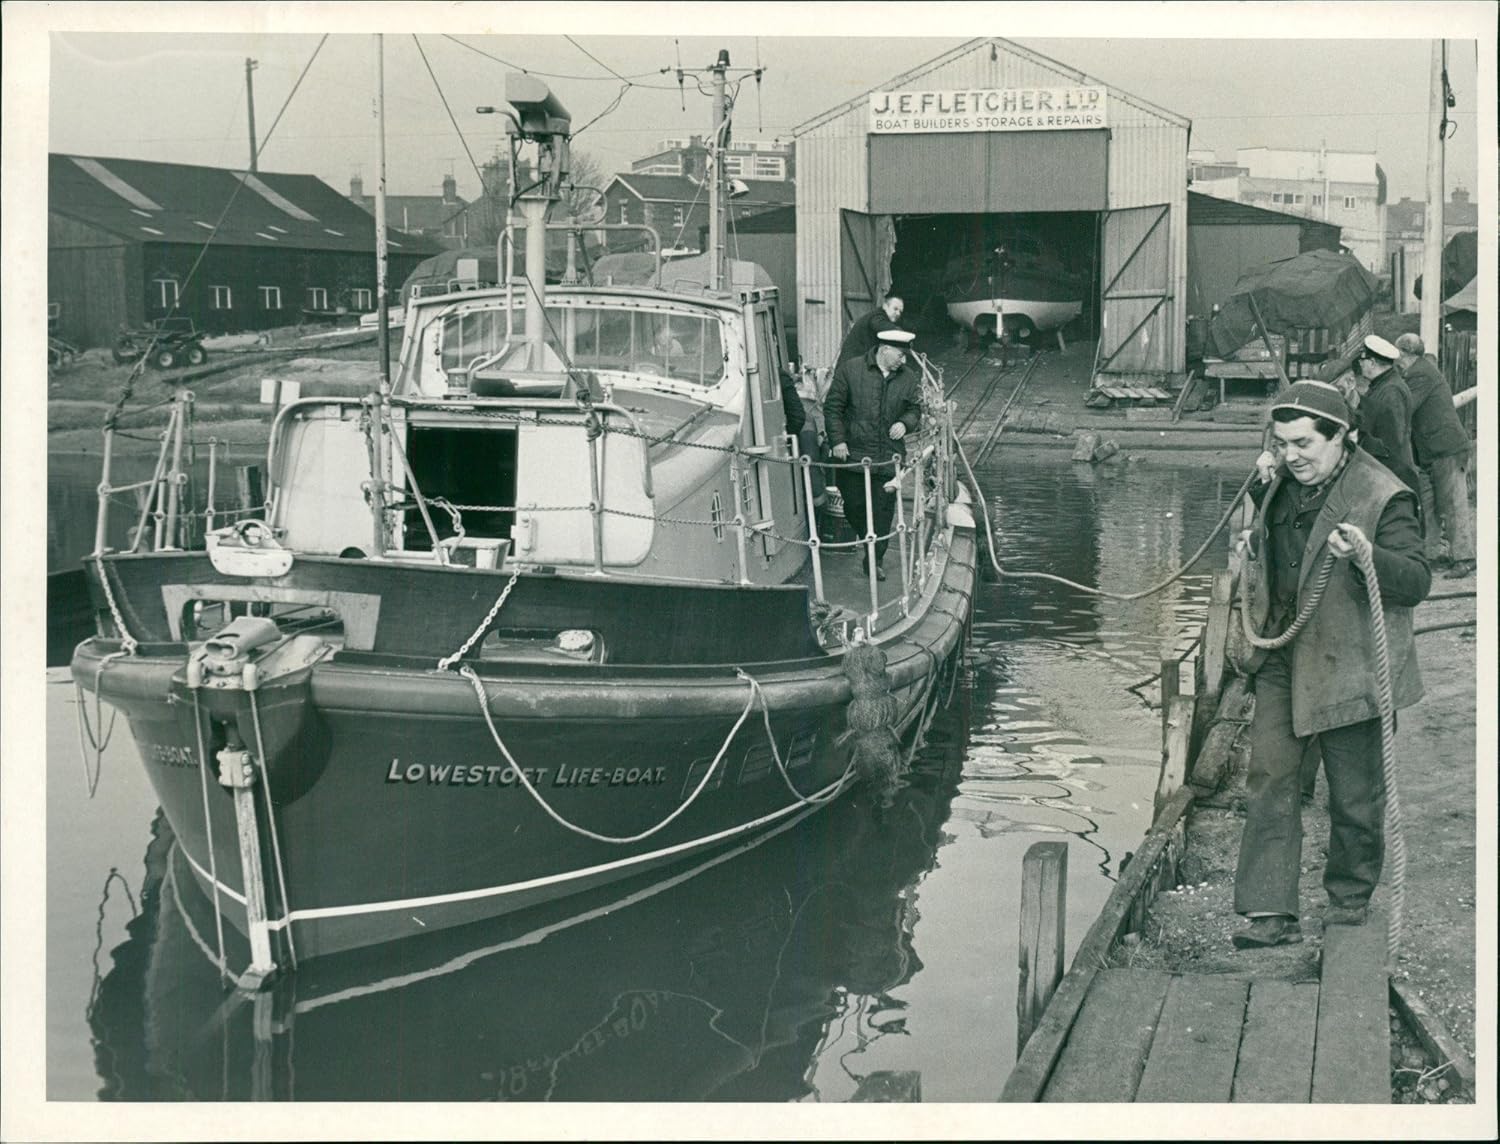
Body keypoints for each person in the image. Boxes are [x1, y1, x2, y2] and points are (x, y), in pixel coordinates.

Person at [1231, 381, 1430, 949]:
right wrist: (1259, 493)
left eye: (1303, 444)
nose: (1291, 455)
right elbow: (1267, 523)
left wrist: (1370, 556)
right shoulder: (1280, 480)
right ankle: (1269, 909)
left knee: (1354, 793)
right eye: (1282, 443)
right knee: (1271, 775)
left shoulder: (1383, 494)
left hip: (1353, 663)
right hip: (1283, 651)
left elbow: (1416, 581)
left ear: (1341, 438)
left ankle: (1347, 900)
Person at [824, 328, 922, 580]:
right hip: (854, 456)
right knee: (854, 506)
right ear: (884, 350)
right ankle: (868, 541)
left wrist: (906, 423)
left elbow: (914, 409)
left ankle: (874, 559)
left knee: (882, 511)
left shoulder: (909, 378)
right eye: (901, 355)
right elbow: (833, 407)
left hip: (888, 457)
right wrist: (838, 441)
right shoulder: (851, 370)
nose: (904, 361)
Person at [1395, 332, 1475, 578]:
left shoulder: (1419, 374)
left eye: (1397, 355)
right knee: (1427, 506)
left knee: (1452, 504)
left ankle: (1465, 558)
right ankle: (1429, 554)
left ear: (1403, 354)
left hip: (1446, 449)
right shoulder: (1420, 370)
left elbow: (1405, 406)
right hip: (1431, 452)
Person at [1350, 334, 1420, 494]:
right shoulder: (1383, 385)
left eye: (1363, 361)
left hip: (1392, 474)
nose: (1360, 364)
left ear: (1372, 363)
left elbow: (1392, 441)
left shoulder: (1390, 392)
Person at [835, 293, 909, 367]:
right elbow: (882, 327)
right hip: (850, 366)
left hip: (854, 364)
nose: (898, 313)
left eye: (900, 311)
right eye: (895, 309)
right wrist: (903, 335)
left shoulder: (879, 317)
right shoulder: (877, 316)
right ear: (885, 306)